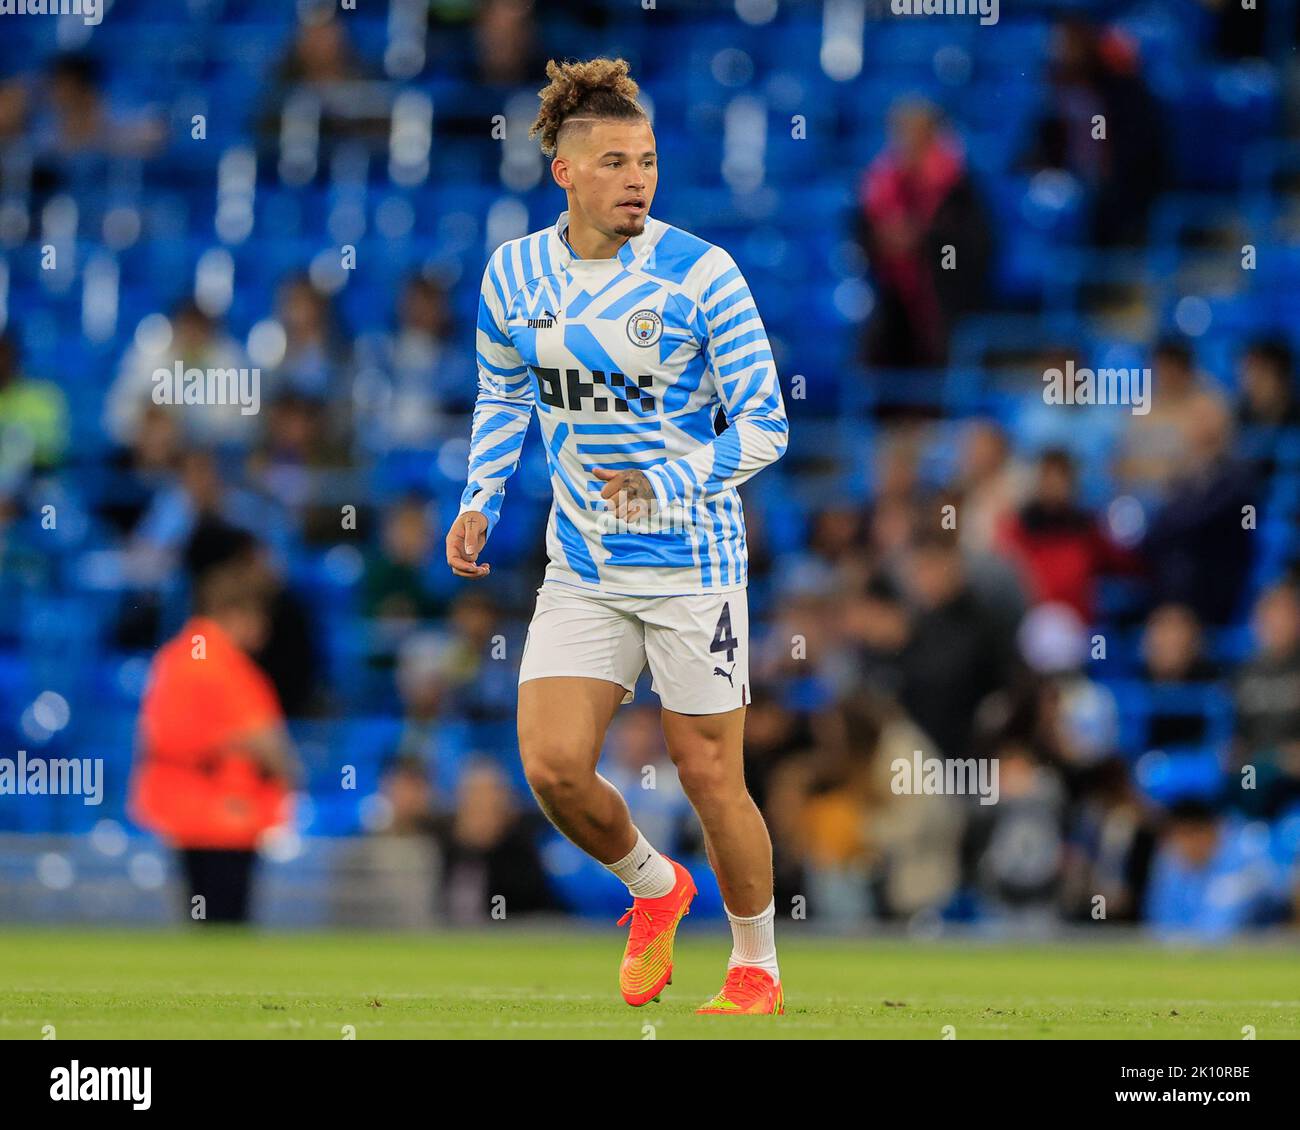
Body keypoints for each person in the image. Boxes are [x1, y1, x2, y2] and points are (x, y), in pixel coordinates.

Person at [444, 58, 789, 1015]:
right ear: (563, 171)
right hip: (584, 565)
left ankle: (755, 965)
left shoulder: (700, 273)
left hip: (693, 564)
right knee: (552, 768)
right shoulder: (514, 273)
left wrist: (668, 479)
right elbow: (503, 388)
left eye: (646, 160)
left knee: (712, 775)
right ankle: (655, 885)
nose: (636, 178)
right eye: (612, 162)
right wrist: (481, 496)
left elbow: (766, 425)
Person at [129, 570, 299, 924]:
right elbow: (264, 740)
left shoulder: (175, 657)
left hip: (185, 812)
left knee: (201, 918)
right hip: (226, 817)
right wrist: (291, 775)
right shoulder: (225, 666)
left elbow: (158, 734)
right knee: (226, 924)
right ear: (236, 614)